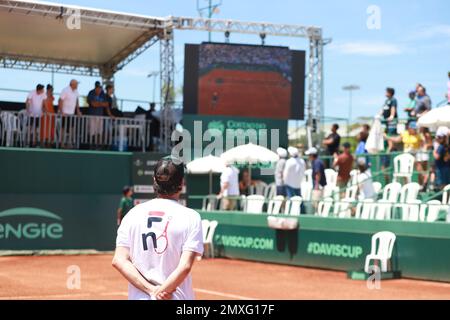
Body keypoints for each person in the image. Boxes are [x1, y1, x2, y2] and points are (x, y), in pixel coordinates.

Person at [112, 157, 203, 300]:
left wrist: (152, 290)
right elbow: (185, 266)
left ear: (154, 180)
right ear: (181, 183)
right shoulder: (192, 217)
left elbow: (119, 260)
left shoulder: (132, 214)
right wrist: (159, 292)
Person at [59, 79, 81, 148]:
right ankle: (62, 144)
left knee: (72, 129)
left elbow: (77, 101)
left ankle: (69, 143)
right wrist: (62, 111)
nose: (77, 85)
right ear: (72, 84)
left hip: (72, 114)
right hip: (65, 113)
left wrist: (78, 111)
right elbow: (60, 100)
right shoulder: (65, 90)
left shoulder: (76, 91)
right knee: (63, 129)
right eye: (76, 84)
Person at [87, 81, 109, 149]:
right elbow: (93, 104)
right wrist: (101, 103)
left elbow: (106, 104)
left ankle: (98, 145)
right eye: (98, 88)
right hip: (92, 115)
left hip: (100, 116)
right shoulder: (91, 92)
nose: (99, 89)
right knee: (92, 131)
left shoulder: (103, 94)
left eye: (100, 88)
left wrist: (98, 103)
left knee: (99, 131)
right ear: (95, 87)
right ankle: (91, 145)